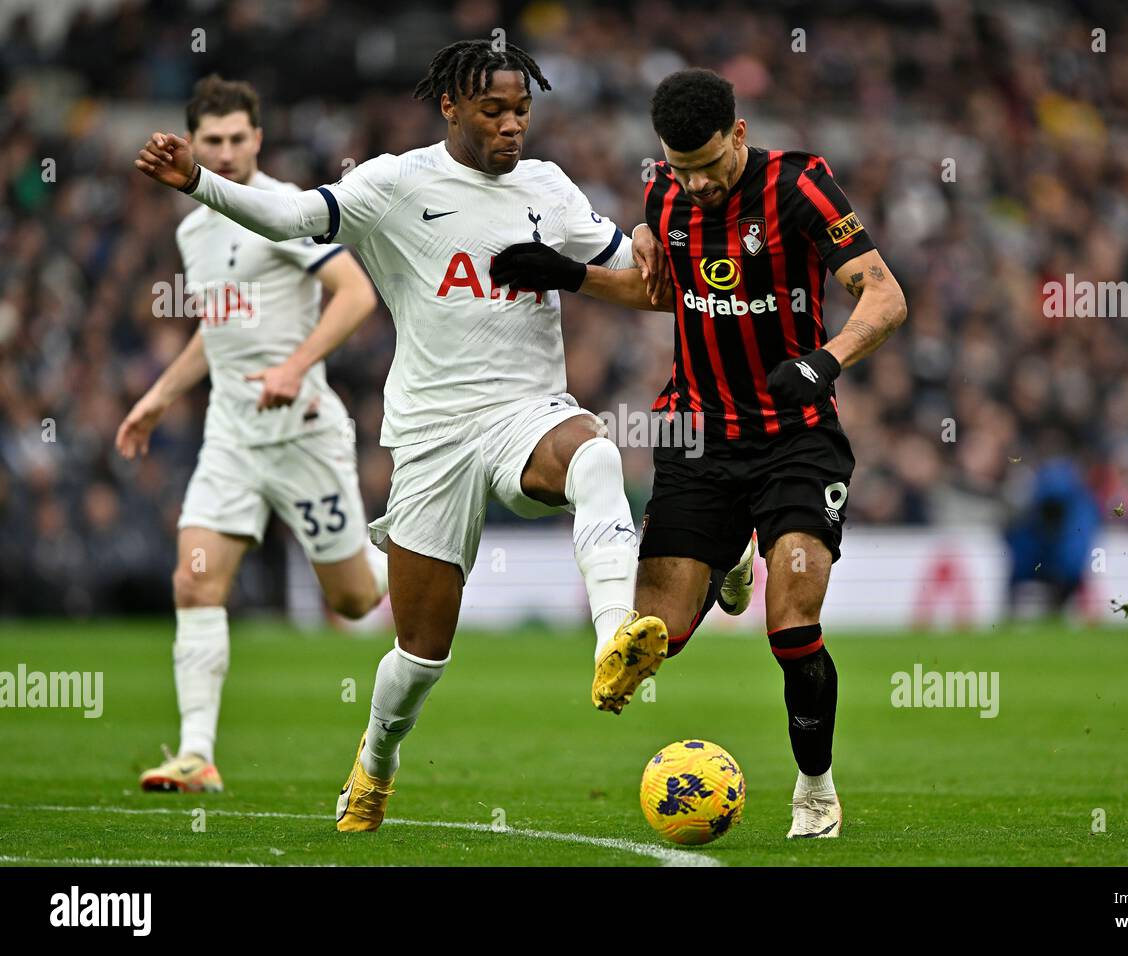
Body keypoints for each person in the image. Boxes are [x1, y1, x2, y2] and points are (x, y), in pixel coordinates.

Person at [133, 40, 673, 830]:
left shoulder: (549, 188)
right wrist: (199, 183)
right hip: (432, 437)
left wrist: (645, 242)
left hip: (527, 413)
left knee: (595, 453)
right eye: (494, 111)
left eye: (522, 110)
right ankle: (375, 763)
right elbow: (290, 216)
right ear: (450, 107)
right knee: (420, 655)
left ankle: (614, 639)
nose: (512, 126)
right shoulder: (394, 183)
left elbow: (640, 281)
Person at [492, 69, 909, 838]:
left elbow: (884, 295)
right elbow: (667, 294)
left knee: (791, 627)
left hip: (797, 439)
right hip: (697, 435)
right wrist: (573, 276)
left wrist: (827, 359)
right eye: (678, 169)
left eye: (709, 167)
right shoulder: (666, 197)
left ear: (740, 136)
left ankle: (814, 788)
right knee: (657, 637)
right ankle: (726, 558)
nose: (696, 185)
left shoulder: (801, 187)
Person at [117, 75, 388, 793]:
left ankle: (418, 558)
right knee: (195, 582)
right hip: (231, 438)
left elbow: (357, 293)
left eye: (239, 139)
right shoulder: (192, 226)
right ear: (192, 143)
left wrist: (297, 366)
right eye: (213, 141)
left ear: (258, 140)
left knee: (356, 601)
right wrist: (158, 395)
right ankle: (196, 754)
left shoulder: (280, 210)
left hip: (302, 437)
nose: (228, 152)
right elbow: (220, 329)